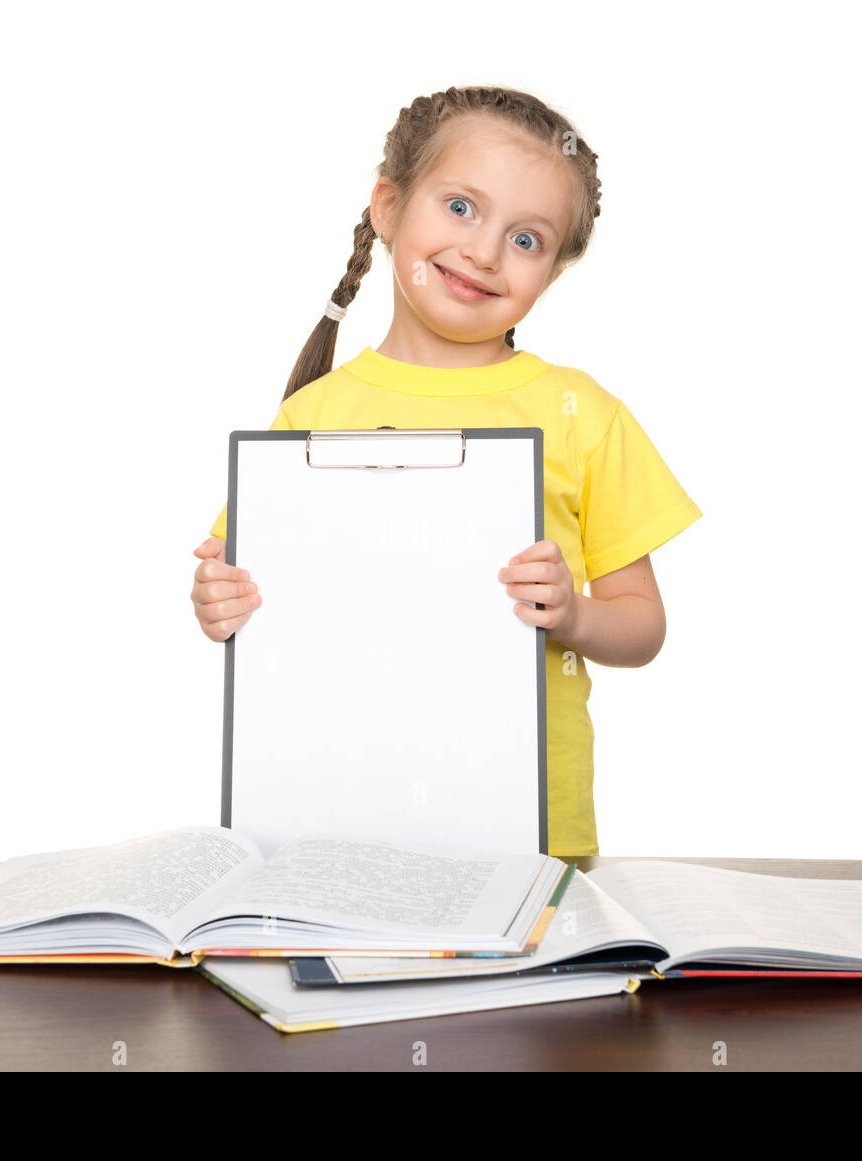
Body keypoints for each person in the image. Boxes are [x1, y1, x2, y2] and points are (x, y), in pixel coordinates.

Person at [189, 85, 701, 856]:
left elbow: (643, 624)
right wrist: (217, 602)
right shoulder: (311, 416)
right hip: (330, 821)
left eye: (527, 240)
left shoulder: (581, 412)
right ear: (388, 208)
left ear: (552, 274)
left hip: (531, 837)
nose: (485, 252)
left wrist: (572, 613)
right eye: (461, 208)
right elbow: (240, 600)